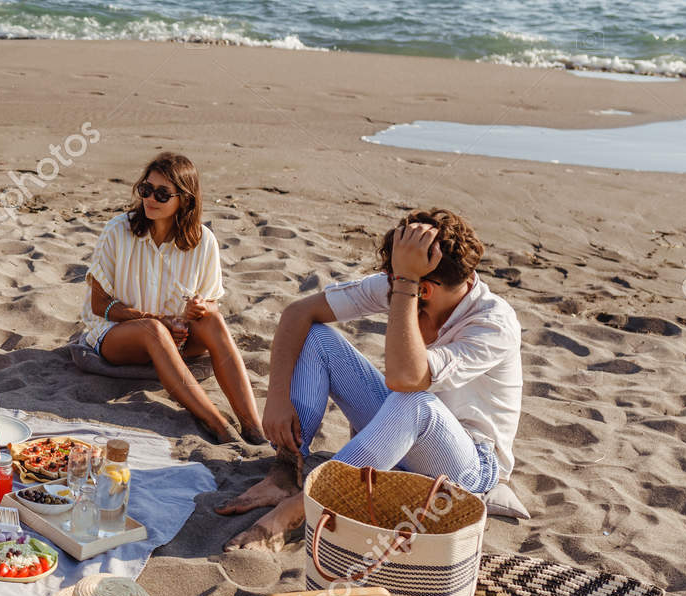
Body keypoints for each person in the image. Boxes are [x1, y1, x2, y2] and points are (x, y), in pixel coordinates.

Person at [217, 209, 522, 550]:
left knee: (413, 400)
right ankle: (286, 471)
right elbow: (298, 314)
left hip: (467, 469)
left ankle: (299, 509)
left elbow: (407, 378)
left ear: (425, 288)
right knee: (319, 339)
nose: (389, 280)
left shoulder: (493, 322)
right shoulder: (403, 285)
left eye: (398, 275)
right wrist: (277, 398)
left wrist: (405, 282)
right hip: (400, 434)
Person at [79, 151, 264, 444]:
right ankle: (219, 427)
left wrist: (200, 307)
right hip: (119, 336)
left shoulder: (204, 242)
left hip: (180, 338)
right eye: (146, 190)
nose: (150, 199)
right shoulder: (117, 231)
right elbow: (99, 305)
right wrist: (157, 320)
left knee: (214, 320)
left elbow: (212, 299)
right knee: (153, 330)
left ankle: (254, 429)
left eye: (162, 194)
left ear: (185, 199)